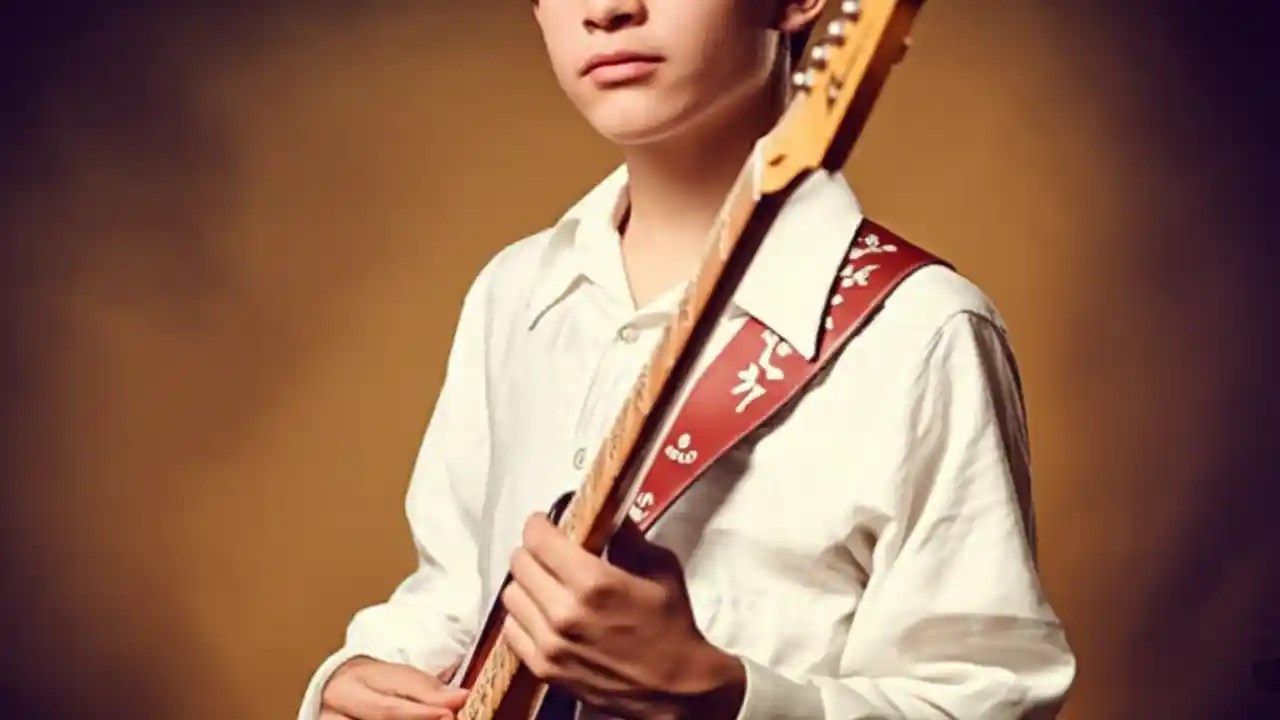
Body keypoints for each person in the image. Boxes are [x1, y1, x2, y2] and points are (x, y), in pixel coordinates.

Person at [299, 1, 1077, 718]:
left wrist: (725, 696)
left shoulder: (921, 331)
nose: (606, 9)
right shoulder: (515, 294)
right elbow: (453, 595)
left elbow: (989, 698)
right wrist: (359, 675)